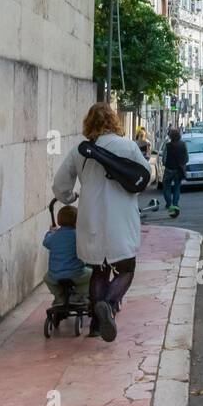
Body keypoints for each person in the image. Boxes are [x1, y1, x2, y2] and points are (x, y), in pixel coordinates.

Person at [52, 102, 149, 342]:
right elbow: (145, 176)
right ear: (114, 121)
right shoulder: (128, 146)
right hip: (122, 218)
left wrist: (70, 197)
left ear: (89, 123)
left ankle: (96, 325)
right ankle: (108, 304)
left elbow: (60, 186)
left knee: (99, 270)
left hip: (90, 218)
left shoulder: (79, 151)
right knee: (126, 267)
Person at [43, 205, 90, 308]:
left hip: (55, 275)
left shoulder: (54, 236)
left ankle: (59, 296)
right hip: (76, 273)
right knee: (92, 275)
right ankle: (79, 295)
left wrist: (51, 231)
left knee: (46, 277)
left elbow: (46, 242)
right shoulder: (78, 235)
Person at [161, 127, 188, 218]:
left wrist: (165, 164)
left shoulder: (168, 145)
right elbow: (186, 158)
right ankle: (175, 204)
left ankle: (169, 203)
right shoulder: (183, 144)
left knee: (166, 186)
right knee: (177, 187)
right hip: (179, 169)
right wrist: (182, 164)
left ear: (171, 136)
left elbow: (164, 158)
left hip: (169, 169)